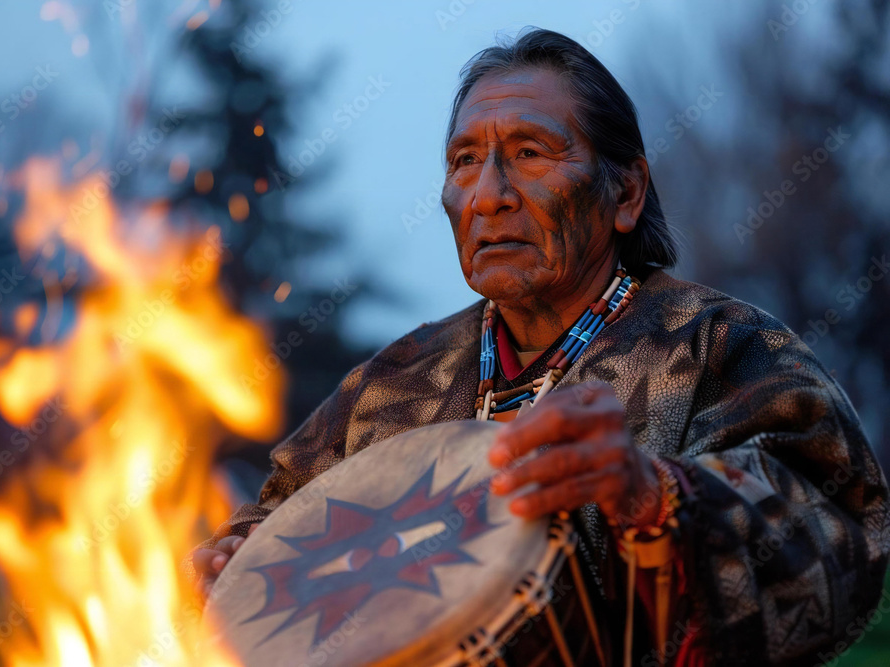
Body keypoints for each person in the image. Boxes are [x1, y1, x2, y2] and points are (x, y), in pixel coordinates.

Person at [188, 28, 889, 665]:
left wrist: (656, 497)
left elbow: (842, 533)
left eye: (529, 152)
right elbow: (275, 525)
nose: (487, 194)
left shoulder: (723, 345)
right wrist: (233, 566)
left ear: (627, 192)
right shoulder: (389, 386)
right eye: (465, 160)